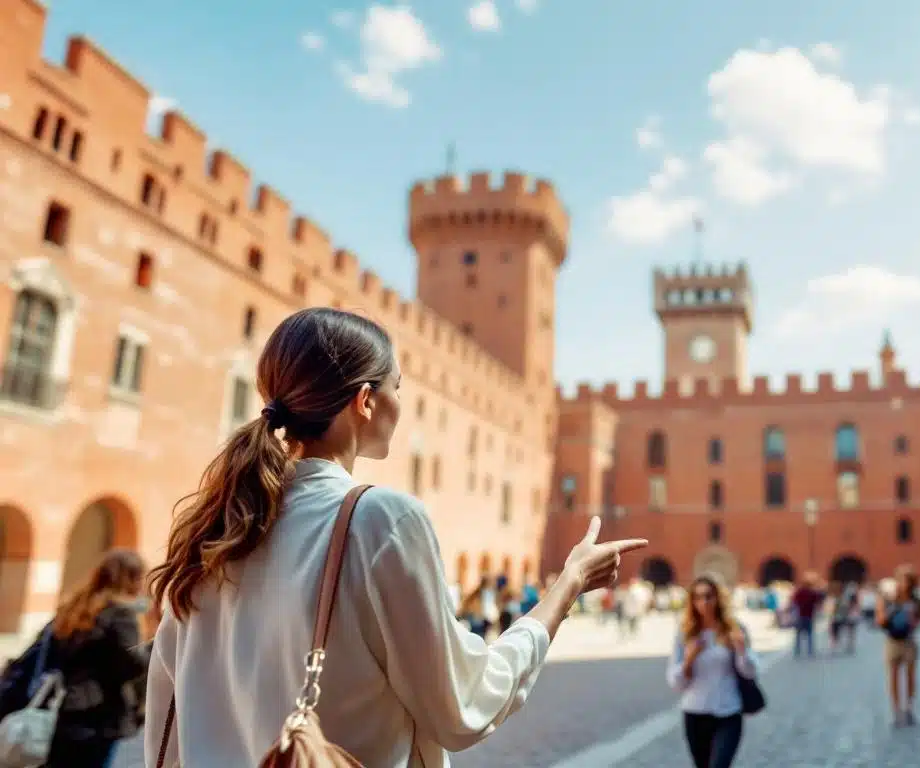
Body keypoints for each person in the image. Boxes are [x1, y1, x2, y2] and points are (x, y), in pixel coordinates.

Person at [143, 308, 647, 766]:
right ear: (365, 400)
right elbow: (463, 704)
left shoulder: (214, 530)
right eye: (397, 387)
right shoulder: (380, 520)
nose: (400, 403)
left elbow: (166, 728)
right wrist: (568, 585)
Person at [18, 549, 152, 767]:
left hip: (61, 708)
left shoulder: (73, 609)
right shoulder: (121, 616)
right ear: (132, 580)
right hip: (98, 716)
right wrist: (155, 648)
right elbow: (134, 665)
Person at [667, 574, 759, 768]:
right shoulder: (685, 633)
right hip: (695, 713)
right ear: (692, 602)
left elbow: (750, 672)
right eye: (698, 597)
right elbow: (675, 683)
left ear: (718, 598)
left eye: (709, 596)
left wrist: (741, 650)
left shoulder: (734, 629)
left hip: (729, 712)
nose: (704, 602)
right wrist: (689, 660)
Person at [876, 569, 920, 726]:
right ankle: (895, 710)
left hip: (909, 640)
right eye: (902, 580)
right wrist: (893, 608)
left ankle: (908, 707)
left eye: (908, 581)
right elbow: (880, 621)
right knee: (893, 676)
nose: (904, 584)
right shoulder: (886, 598)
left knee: (910, 676)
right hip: (892, 641)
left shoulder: (915, 600)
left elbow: (918, 622)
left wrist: (912, 619)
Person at [788, 574, 823, 659]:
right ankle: (810, 651)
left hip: (799, 616)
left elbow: (792, 602)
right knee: (810, 635)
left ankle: (797, 651)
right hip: (809, 616)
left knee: (798, 635)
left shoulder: (799, 592)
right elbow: (819, 601)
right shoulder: (812, 593)